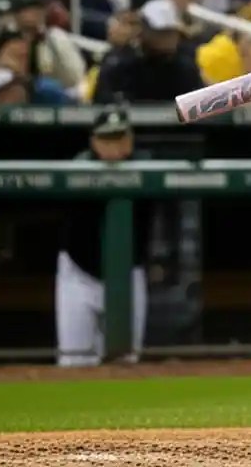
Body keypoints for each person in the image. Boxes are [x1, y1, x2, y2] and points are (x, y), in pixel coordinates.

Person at [57, 107, 150, 366]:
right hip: (79, 272)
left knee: (127, 360)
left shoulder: (146, 167)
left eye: (120, 138)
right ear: (94, 142)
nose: (114, 147)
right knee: (74, 362)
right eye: (106, 139)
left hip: (128, 274)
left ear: (130, 140)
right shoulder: (78, 168)